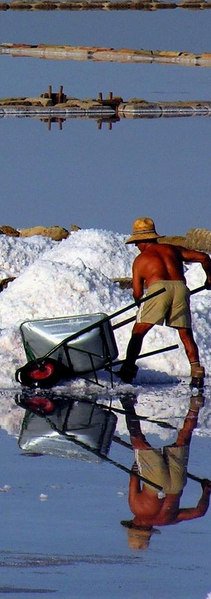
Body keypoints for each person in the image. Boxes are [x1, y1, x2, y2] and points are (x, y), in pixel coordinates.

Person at [118, 217, 211, 387]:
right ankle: (197, 373)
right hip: (180, 288)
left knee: (138, 331)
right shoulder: (173, 249)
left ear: (142, 241)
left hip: (158, 289)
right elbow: (205, 257)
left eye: (136, 244)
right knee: (185, 334)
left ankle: (127, 371)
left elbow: (138, 292)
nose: (137, 247)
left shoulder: (140, 260)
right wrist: (210, 278)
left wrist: (141, 307)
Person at [120, 394, 211, 550]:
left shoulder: (169, 519)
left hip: (176, 486)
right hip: (154, 483)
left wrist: (206, 490)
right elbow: (134, 477)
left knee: (184, 439)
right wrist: (139, 458)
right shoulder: (137, 509)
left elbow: (199, 512)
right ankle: (127, 403)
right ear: (135, 524)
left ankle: (195, 405)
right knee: (138, 440)